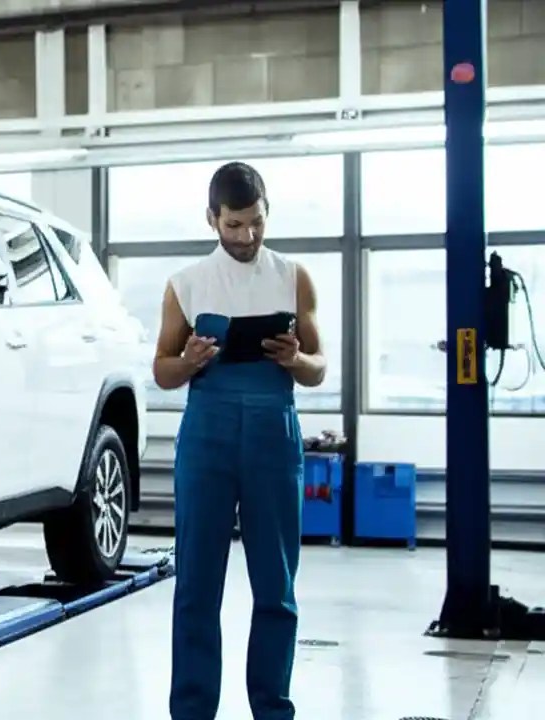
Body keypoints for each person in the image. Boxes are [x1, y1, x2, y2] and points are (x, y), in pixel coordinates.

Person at [153, 161, 327, 720]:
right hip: (207, 431)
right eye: (234, 225)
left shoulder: (293, 276)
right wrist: (189, 360)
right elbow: (160, 370)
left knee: (276, 586)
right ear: (212, 219)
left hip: (274, 431)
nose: (247, 236)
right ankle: (193, 711)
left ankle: (273, 710)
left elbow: (319, 366)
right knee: (197, 586)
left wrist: (295, 358)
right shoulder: (185, 285)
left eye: (256, 223)